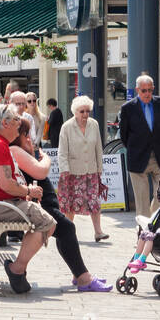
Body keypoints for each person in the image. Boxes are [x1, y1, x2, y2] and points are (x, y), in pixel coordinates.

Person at [9, 113, 111, 292]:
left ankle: (79, 274)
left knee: (65, 230)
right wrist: (46, 158)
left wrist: (33, 152)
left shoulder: (21, 150)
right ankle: (83, 278)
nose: (29, 137)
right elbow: (40, 171)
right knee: (67, 229)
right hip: (40, 204)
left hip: (43, 202)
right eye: (26, 133)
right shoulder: (15, 150)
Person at [0, 104, 55, 294]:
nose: (20, 123)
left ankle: (18, 269)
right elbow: (6, 184)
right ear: (4, 123)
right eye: (17, 119)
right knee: (48, 223)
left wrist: (26, 193)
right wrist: (29, 192)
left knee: (45, 220)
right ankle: (17, 269)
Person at [56, 95, 108, 241]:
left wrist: (99, 168)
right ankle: (68, 232)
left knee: (94, 201)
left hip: (91, 170)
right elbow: (62, 151)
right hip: (72, 172)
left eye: (87, 111)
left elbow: (98, 147)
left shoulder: (94, 124)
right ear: (75, 112)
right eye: (82, 112)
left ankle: (98, 232)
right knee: (71, 203)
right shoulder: (66, 127)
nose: (85, 114)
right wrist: (64, 170)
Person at [118, 75, 160, 216]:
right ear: (137, 90)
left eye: (149, 90)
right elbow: (124, 135)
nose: (147, 94)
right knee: (141, 200)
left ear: (153, 89)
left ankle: (153, 221)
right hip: (137, 157)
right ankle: (143, 232)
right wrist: (135, 148)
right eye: (143, 91)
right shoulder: (127, 108)